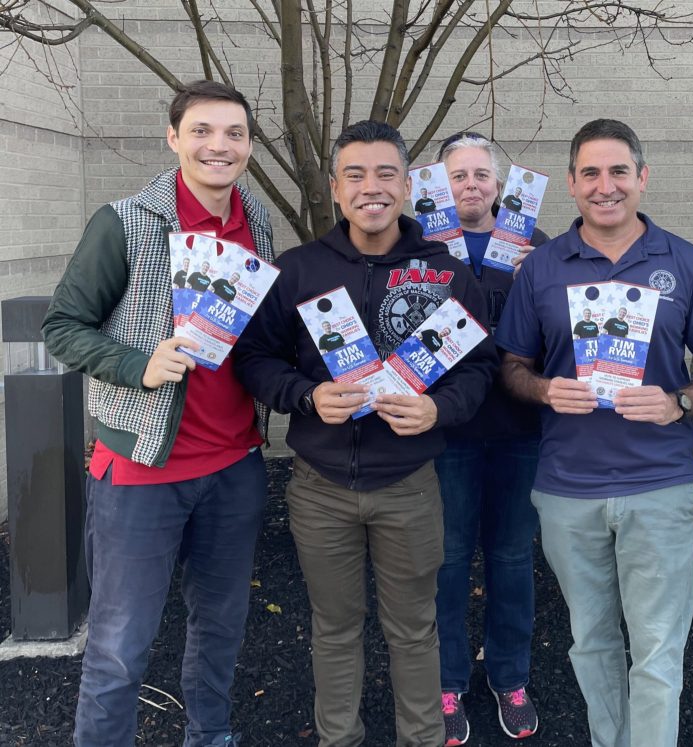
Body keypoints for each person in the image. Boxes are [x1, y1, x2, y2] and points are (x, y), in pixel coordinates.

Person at [233, 120, 496, 747]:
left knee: (414, 628)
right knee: (334, 627)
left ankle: (422, 739)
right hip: (319, 488)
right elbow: (254, 359)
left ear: (407, 186)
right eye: (355, 174)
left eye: (385, 174)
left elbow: (481, 366)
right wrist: (305, 395)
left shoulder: (447, 273)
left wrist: (440, 411)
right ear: (334, 187)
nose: (370, 187)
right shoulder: (297, 270)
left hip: (408, 485)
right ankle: (339, 739)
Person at [41, 80, 274, 747]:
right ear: (173, 138)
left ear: (249, 146)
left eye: (233, 133)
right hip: (142, 468)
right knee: (119, 646)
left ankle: (211, 735)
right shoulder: (124, 222)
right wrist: (136, 364)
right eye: (201, 130)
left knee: (221, 628)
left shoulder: (255, 222)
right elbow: (63, 325)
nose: (218, 146)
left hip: (235, 465)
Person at [496, 119, 693, 747]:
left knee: (658, 649)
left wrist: (679, 402)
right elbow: (511, 367)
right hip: (567, 488)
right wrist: (546, 388)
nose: (606, 187)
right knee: (591, 640)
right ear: (573, 184)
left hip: (658, 484)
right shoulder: (542, 268)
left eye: (619, 172)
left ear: (642, 177)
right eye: (591, 174)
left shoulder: (682, 262)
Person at [432, 130, 550, 745]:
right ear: (438, 184)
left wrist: (543, 279)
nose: (471, 185)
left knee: (509, 559)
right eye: (459, 176)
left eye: (481, 175)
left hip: (518, 429)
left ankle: (510, 677)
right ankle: (447, 682)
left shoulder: (540, 246)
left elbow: (567, 335)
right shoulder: (418, 246)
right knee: (448, 561)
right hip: (447, 429)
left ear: (500, 186)